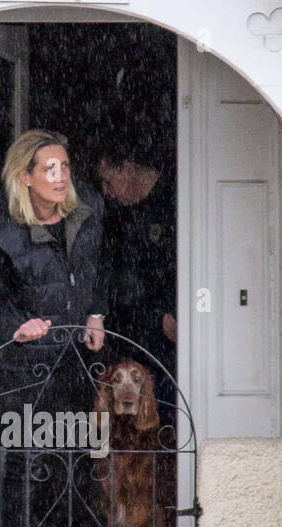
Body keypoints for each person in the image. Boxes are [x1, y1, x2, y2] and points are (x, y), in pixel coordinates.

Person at [0, 129, 108, 527]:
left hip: (72, 369)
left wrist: (96, 313)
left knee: (77, 470)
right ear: (25, 176)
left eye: (64, 166)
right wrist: (17, 326)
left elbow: (98, 271)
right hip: (20, 376)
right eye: (49, 168)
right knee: (28, 474)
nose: (61, 176)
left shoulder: (85, 214)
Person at [95, 133, 178, 431]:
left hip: (166, 334)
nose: (107, 191)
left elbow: (188, 261)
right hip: (129, 331)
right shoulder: (117, 214)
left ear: (129, 169)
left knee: (165, 416)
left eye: (109, 181)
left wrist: (174, 309)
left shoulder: (176, 200)